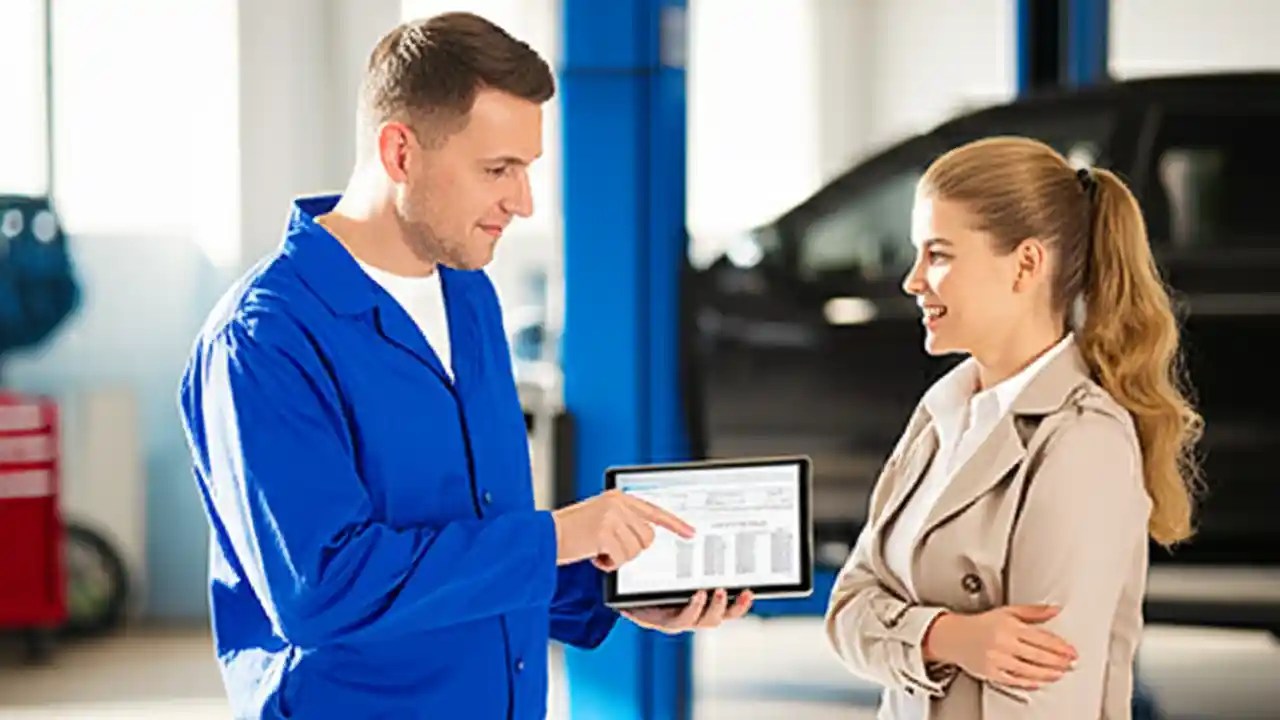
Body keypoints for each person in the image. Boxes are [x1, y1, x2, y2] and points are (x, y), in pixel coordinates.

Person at [177, 12, 751, 719]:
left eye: (527, 169)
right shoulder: (266, 338)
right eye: (497, 169)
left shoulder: (466, 295)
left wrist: (608, 589)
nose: (523, 201)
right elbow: (323, 588)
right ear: (400, 153)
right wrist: (559, 536)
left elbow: (471, 532)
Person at [823, 136, 1202, 718]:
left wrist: (903, 632)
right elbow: (847, 607)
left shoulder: (1082, 442)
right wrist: (945, 637)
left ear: (1026, 264)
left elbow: (1042, 697)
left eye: (939, 255)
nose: (913, 280)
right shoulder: (941, 414)